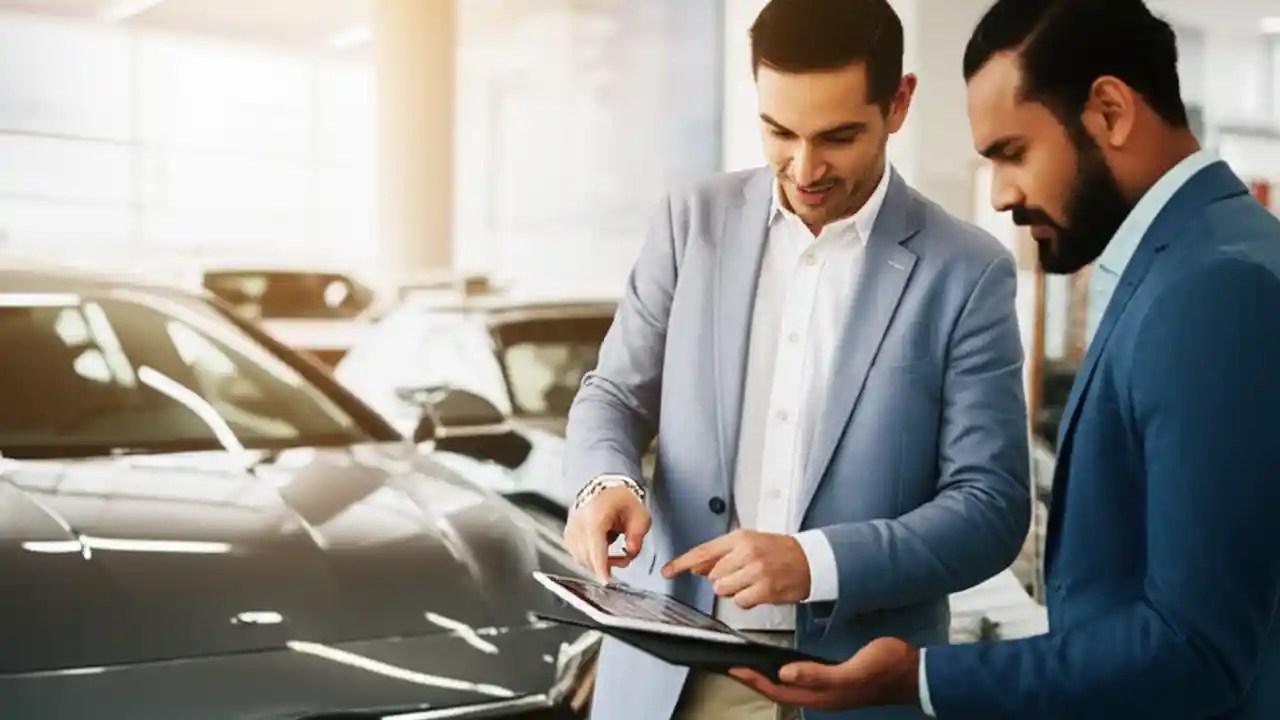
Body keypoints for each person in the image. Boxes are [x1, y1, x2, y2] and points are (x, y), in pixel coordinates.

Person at [730, 0, 1280, 717]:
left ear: (1110, 111)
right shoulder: (1204, 252)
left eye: (1013, 153)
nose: (1000, 194)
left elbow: (1194, 648)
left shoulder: (1213, 287)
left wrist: (920, 678)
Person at [560, 0, 1032, 718]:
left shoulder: (967, 273)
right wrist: (602, 483)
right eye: (779, 131)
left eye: (839, 136)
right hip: (671, 679)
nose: (804, 168)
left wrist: (815, 562)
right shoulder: (691, 225)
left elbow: (990, 509)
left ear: (898, 102)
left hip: (855, 685)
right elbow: (613, 397)